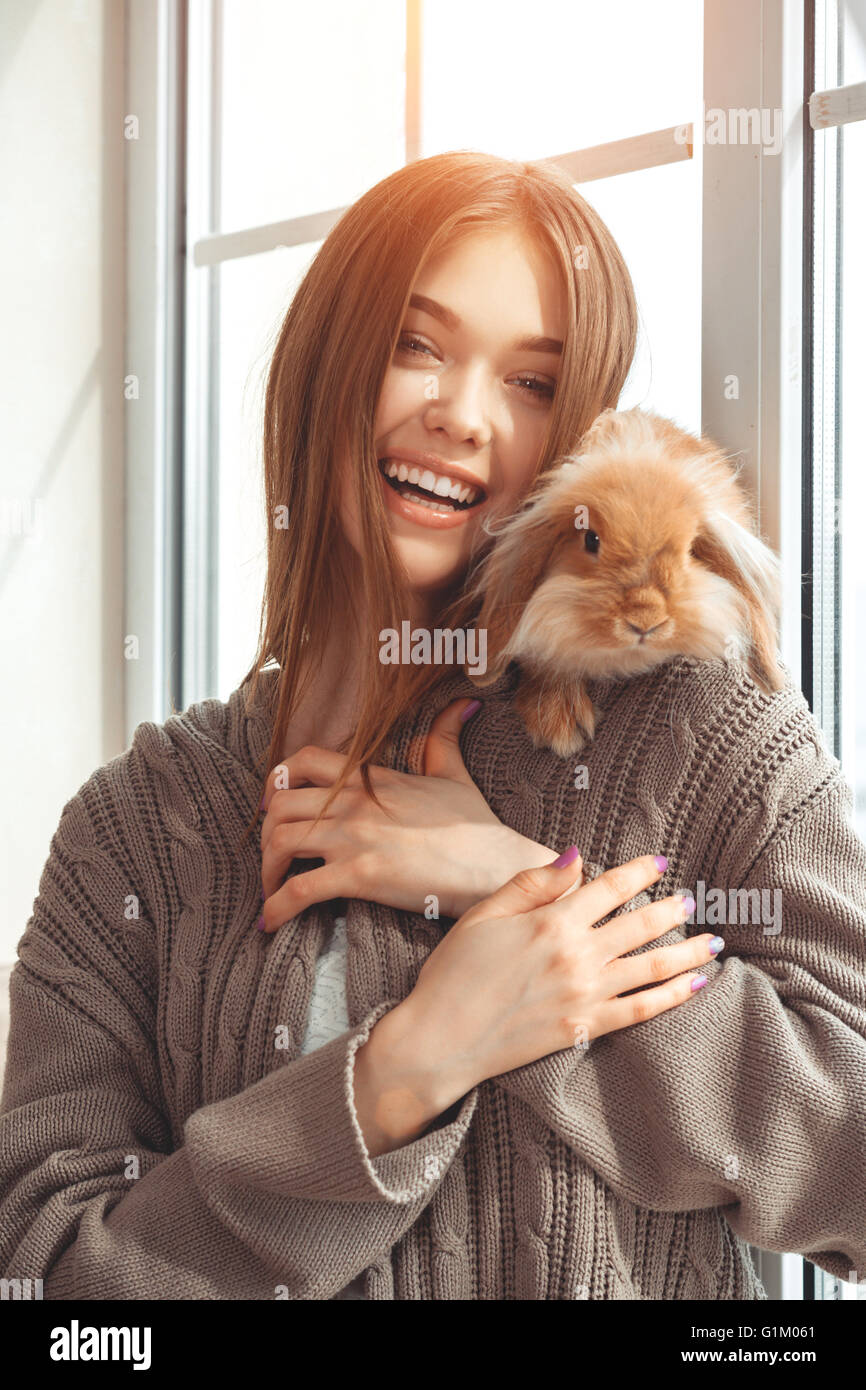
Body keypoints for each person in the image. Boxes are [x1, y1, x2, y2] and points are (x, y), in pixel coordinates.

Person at [2, 152, 865, 1301]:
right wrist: (403, 1073)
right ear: (328, 360)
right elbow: (51, 1290)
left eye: (531, 384)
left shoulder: (701, 723)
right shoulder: (136, 829)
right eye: (417, 345)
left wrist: (517, 884)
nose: (459, 416)